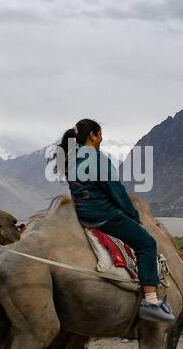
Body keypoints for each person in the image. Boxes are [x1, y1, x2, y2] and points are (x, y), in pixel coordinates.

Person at [62, 119, 173, 323]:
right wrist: (134, 216)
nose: (102, 138)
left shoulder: (71, 160)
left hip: (84, 216)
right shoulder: (97, 159)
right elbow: (117, 193)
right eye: (100, 134)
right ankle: (150, 301)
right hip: (104, 216)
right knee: (147, 243)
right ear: (93, 136)